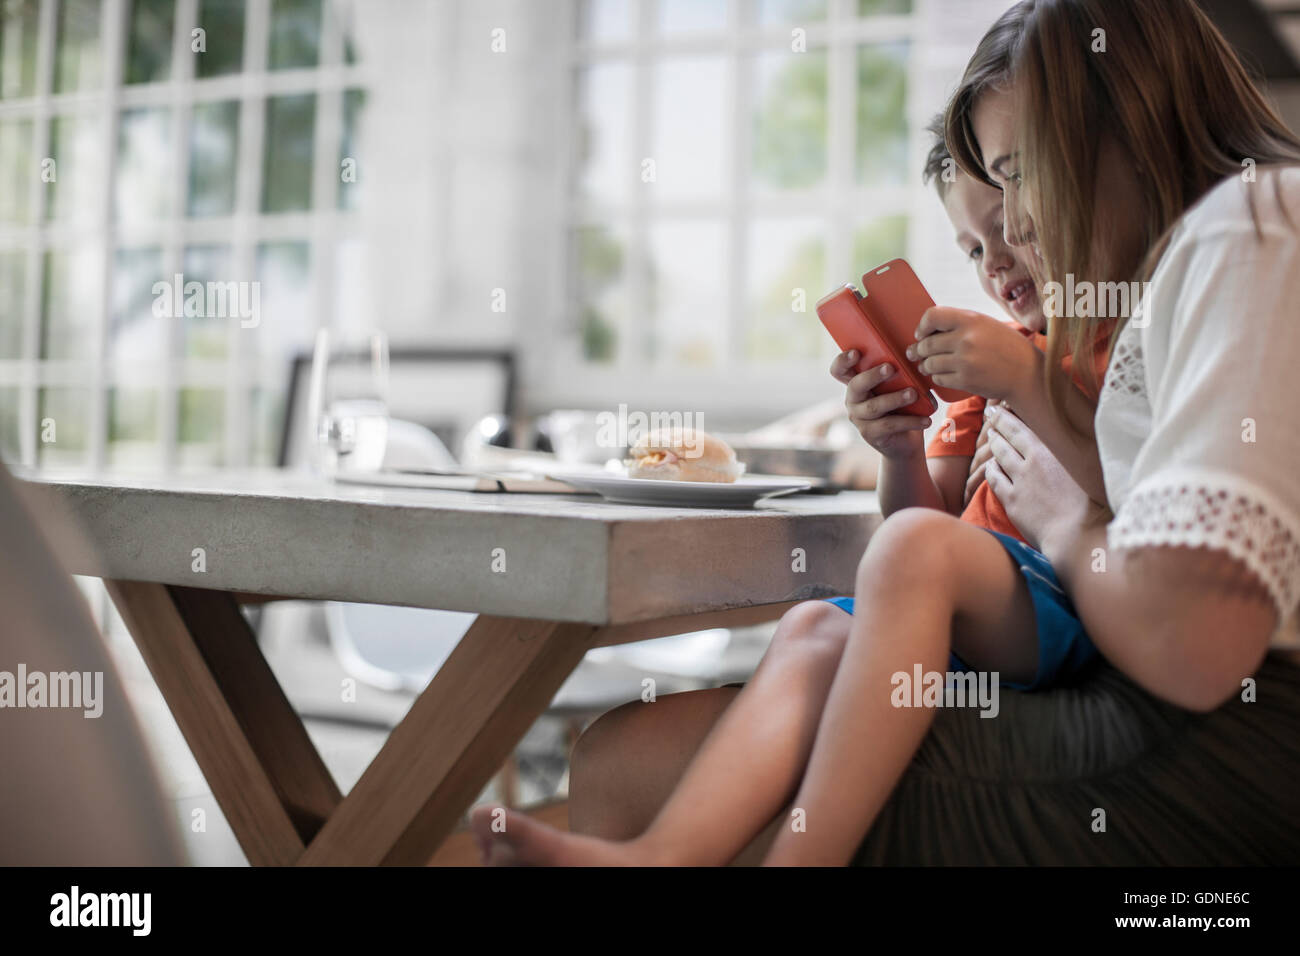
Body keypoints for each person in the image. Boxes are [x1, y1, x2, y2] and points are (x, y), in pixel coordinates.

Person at [472, 0, 1300, 865]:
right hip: (1036, 631)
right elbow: (940, 518)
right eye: (978, 232)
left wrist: (1066, 519)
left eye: (1021, 176)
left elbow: (1186, 624)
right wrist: (903, 447)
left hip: (1122, 688)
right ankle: (655, 856)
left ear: (1128, 126)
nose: (1011, 235)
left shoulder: (1239, 241)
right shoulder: (1151, 295)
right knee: (781, 646)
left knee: (642, 753)